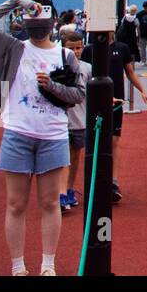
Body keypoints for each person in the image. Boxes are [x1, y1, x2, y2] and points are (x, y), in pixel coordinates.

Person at [0, 0, 85, 276]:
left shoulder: (65, 55)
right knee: (15, 204)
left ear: (54, 22)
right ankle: (17, 266)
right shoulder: (11, 48)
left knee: (50, 203)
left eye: (43, 17)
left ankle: (48, 265)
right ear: (24, 21)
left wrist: (52, 88)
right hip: (18, 134)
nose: (38, 23)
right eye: (32, 16)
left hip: (53, 135)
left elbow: (78, 94)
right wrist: (15, 2)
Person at [80, 28, 147, 204]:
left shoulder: (122, 48)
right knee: (93, 140)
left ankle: (113, 182)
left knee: (113, 141)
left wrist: (143, 90)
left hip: (116, 101)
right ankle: (94, 181)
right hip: (94, 101)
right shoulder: (90, 49)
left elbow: (129, 72)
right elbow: (81, 74)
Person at [58, 26, 87, 212]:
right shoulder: (58, 66)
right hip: (60, 121)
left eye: (79, 47)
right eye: (71, 48)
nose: (75, 51)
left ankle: (68, 189)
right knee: (62, 157)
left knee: (75, 156)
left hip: (79, 120)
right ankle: (60, 192)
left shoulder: (87, 68)